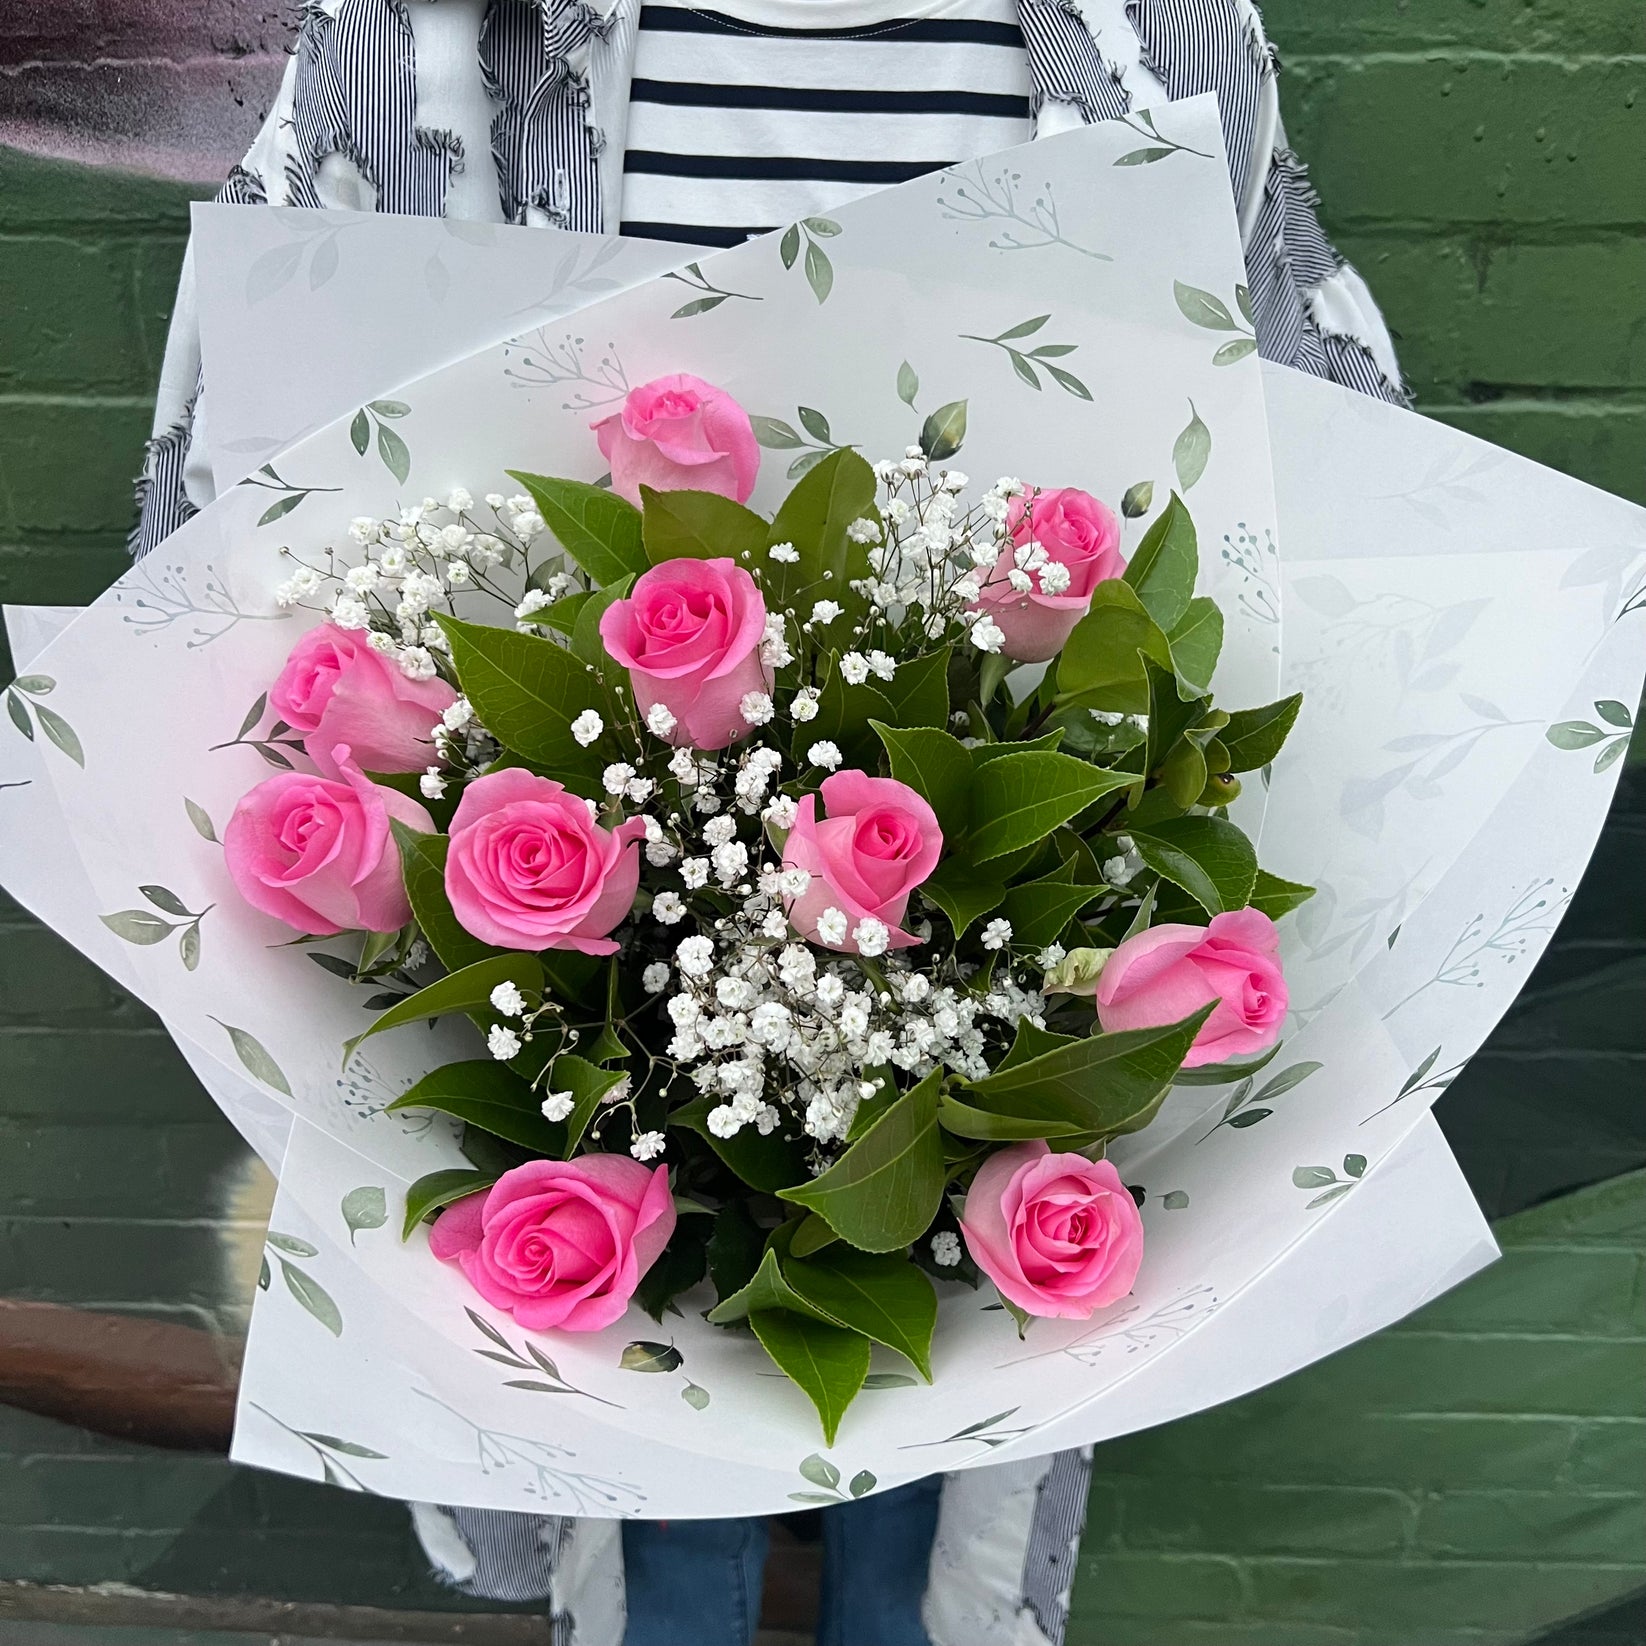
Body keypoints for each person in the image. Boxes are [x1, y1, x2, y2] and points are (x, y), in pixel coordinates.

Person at [132, 2, 1405, 1641]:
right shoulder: (420, 38)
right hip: (560, 998)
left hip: (1005, 957)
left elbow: (1317, 470)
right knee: (630, 1441)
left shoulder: (1146, 35)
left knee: (946, 1495)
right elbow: (215, 520)